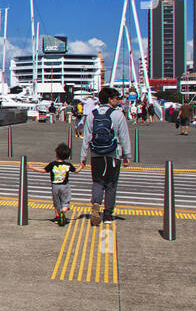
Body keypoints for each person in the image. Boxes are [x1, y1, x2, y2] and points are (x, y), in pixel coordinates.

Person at [79, 86, 132, 227]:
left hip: (96, 154)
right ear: (110, 99)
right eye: (116, 98)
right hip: (113, 154)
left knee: (97, 181)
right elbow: (124, 136)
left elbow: (86, 137)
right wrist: (127, 155)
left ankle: (96, 203)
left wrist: (83, 156)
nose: (118, 101)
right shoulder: (118, 114)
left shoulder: (92, 114)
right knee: (111, 184)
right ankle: (108, 214)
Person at [30, 142, 77, 226]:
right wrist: (81, 166)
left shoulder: (52, 164)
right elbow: (76, 171)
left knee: (56, 203)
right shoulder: (68, 165)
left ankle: (57, 217)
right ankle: (64, 210)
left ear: (56, 154)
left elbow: (43, 170)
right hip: (65, 186)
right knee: (65, 200)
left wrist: (32, 167)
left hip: (55, 186)